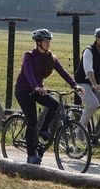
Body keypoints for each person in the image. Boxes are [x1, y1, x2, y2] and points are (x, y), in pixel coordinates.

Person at [14, 28, 82, 165]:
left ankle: (44, 129)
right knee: (32, 121)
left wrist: (75, 85)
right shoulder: (29, 56)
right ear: (39, 42)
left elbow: (62, 72)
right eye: (46, 41)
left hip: (38, 90)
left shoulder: (50, 57)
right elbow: (28, 73)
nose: (48, 44)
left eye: (49, 41)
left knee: (56, 105)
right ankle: (31, 155)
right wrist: (35, 86)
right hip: (24, 91)